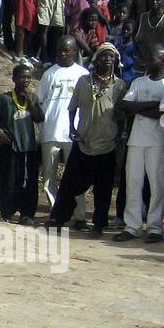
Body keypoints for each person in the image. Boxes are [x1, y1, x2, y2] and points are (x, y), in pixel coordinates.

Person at [46, 43, 129, 233]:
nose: (108, 59)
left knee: (104, 188)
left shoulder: (120, 85)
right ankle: (59, 218)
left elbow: (122, 114)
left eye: (111, 57)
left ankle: (99, 224)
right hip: (84, 140)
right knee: (69, 183)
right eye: (104, 56)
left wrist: (120, 134)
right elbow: (72, 108)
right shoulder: (83, 82)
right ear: (96, 59)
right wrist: (73, 128)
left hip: (107, 142)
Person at [113, 45, 164, 241]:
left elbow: (163, 114)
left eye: (153, 58)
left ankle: (155, 227)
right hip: (136, 140)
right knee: (133, 182)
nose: (148, 60)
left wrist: (137, 108)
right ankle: (132, 226)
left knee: (157, 185)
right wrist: (152, 105)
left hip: (158, 141)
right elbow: (124, 106)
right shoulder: (139, 82)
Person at [36, 36, 91, 223]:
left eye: (67, 50)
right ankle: (56, 213)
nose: (63, 53)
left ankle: (79, 216)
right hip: (51, 132)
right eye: (60, 49)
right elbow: (39, 101)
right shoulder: (49, 74)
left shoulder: (83, 75)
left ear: (75, 51)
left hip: (74, 134)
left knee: (75, 178)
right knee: (49, 178)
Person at [0, 61, 46, 223]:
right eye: (22, 77)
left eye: (28, 77)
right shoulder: (5, 99)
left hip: (28, 147)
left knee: (28, 181)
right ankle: (7, 212)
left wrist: (30, 102)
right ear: (14, 79)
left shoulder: (33, 97)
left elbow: (39, 118)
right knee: (9, 180)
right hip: (11, 146)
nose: (25, 80)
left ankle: (26, 213)